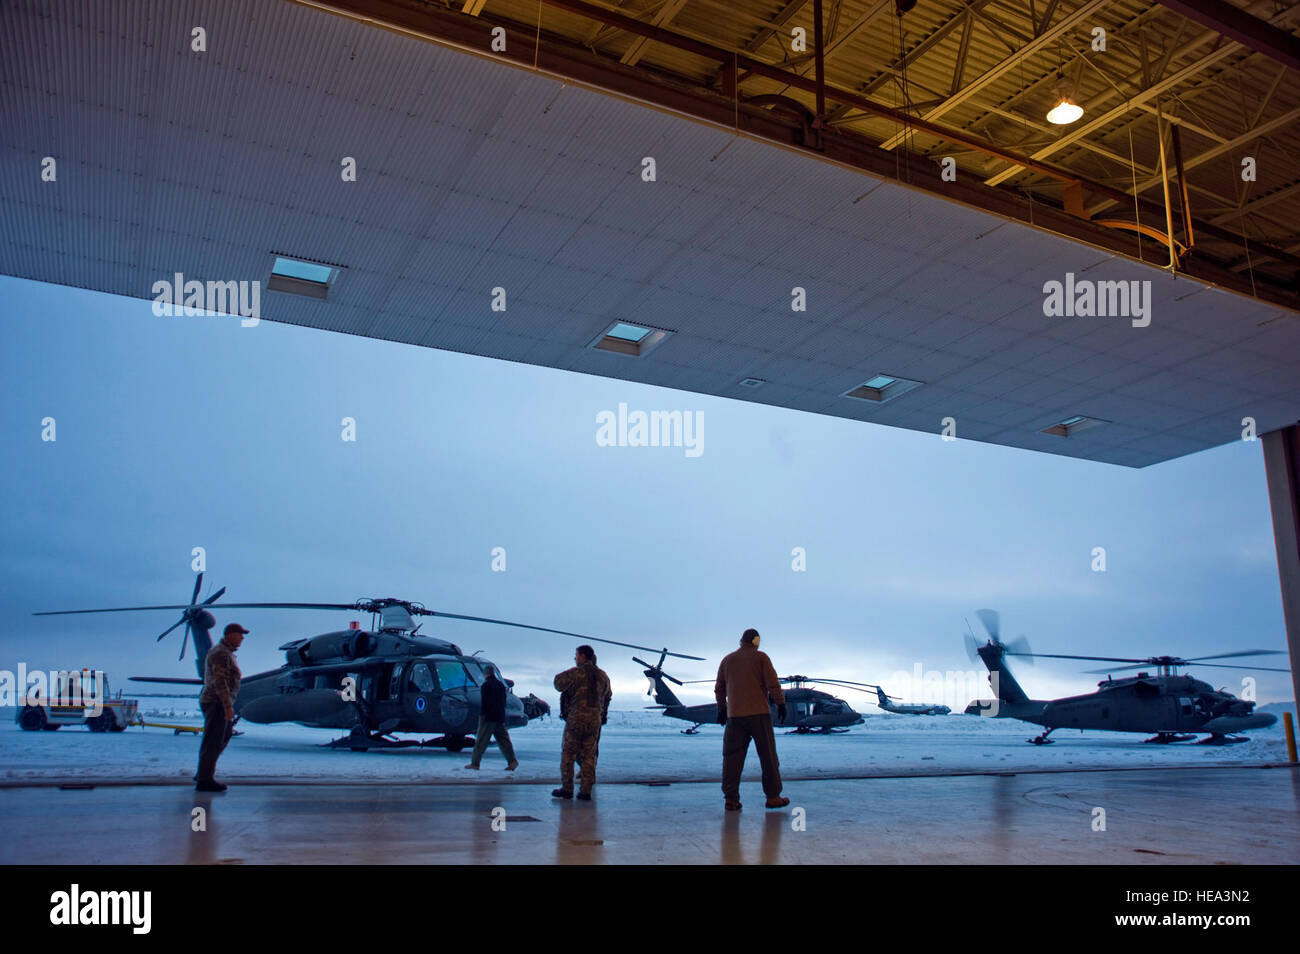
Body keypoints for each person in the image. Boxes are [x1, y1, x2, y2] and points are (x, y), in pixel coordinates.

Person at [714, 628, 789, 811]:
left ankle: (731, 799)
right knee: (768, 757)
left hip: (735, 717)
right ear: (756, 641)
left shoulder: (727, 660)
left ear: (741, 641)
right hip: (759, 715)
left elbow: (719, 688)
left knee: (731, 759)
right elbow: (773, 683)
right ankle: (773, 797)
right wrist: (780, 703)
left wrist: (722, 708)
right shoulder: (761, 658)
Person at [551, 645, 611, 801]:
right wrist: (601, 713)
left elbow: (558, 683)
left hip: (576, 720)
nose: (575, 658)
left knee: (568, 754)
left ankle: (567, 788)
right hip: (594, 721)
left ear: (583, 657)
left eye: (576, 655)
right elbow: (608, 695)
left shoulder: (576, 673)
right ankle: (585, 791)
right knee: (589, 756)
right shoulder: (603, 676)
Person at [196, 623, 246, 792]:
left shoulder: (227, 653)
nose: (242, 638)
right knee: (213, 740)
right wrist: (227, 706)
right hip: (216, 702)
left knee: (224, 734)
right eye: (239, 634)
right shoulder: (221, 654)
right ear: (230, 635)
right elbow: (220, 681)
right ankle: (204, 780)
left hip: (218, 702)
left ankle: (204, 771)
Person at [465, 666, 519, 771]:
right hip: (499, 717)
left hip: (488, 718)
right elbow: (503, 701)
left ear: (486, 674)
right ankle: (512, 762)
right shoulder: (501, 685)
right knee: (504, 741)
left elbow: (486, 703)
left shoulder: (485, 686)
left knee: (481, 741)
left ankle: (475, 763)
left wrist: (483, 715)